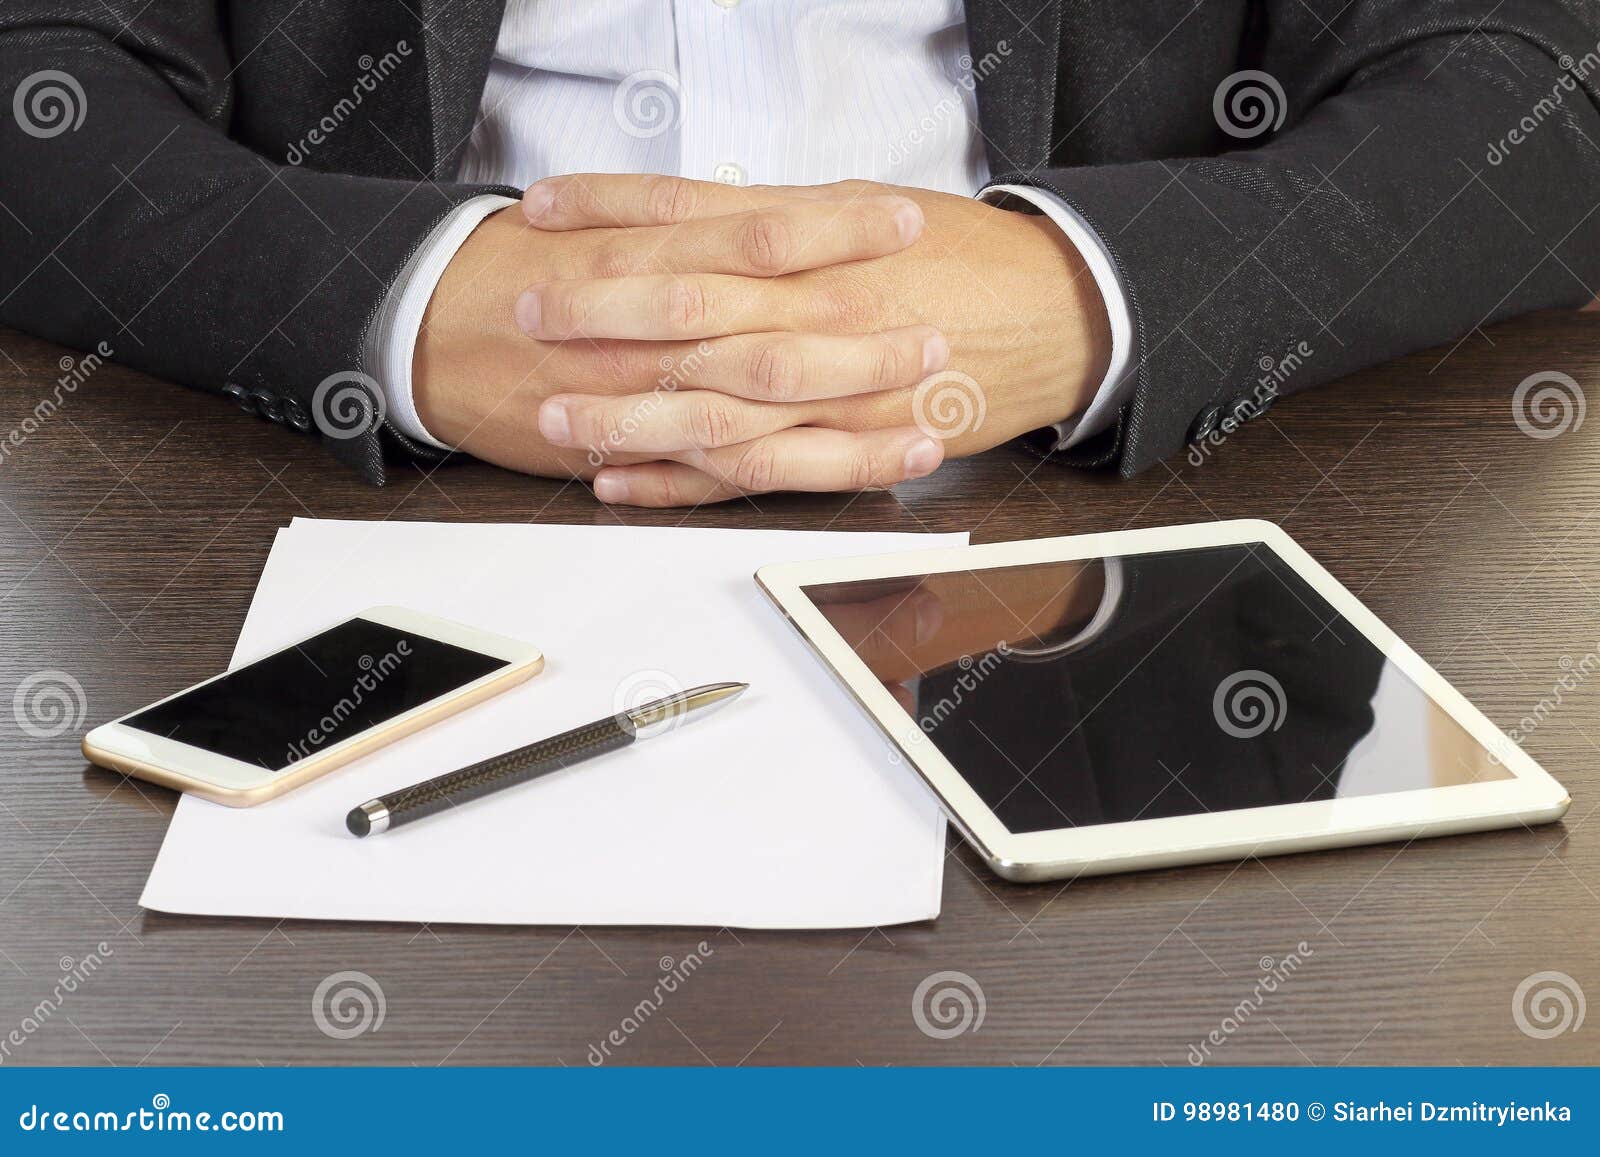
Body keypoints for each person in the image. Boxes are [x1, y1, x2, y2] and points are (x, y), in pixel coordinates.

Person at [2, 2, 1597, 506]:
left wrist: (1091, 290)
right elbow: (41, 72)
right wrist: (388, 301)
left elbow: (1542, 82)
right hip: (350, 476)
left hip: (1069, 491)